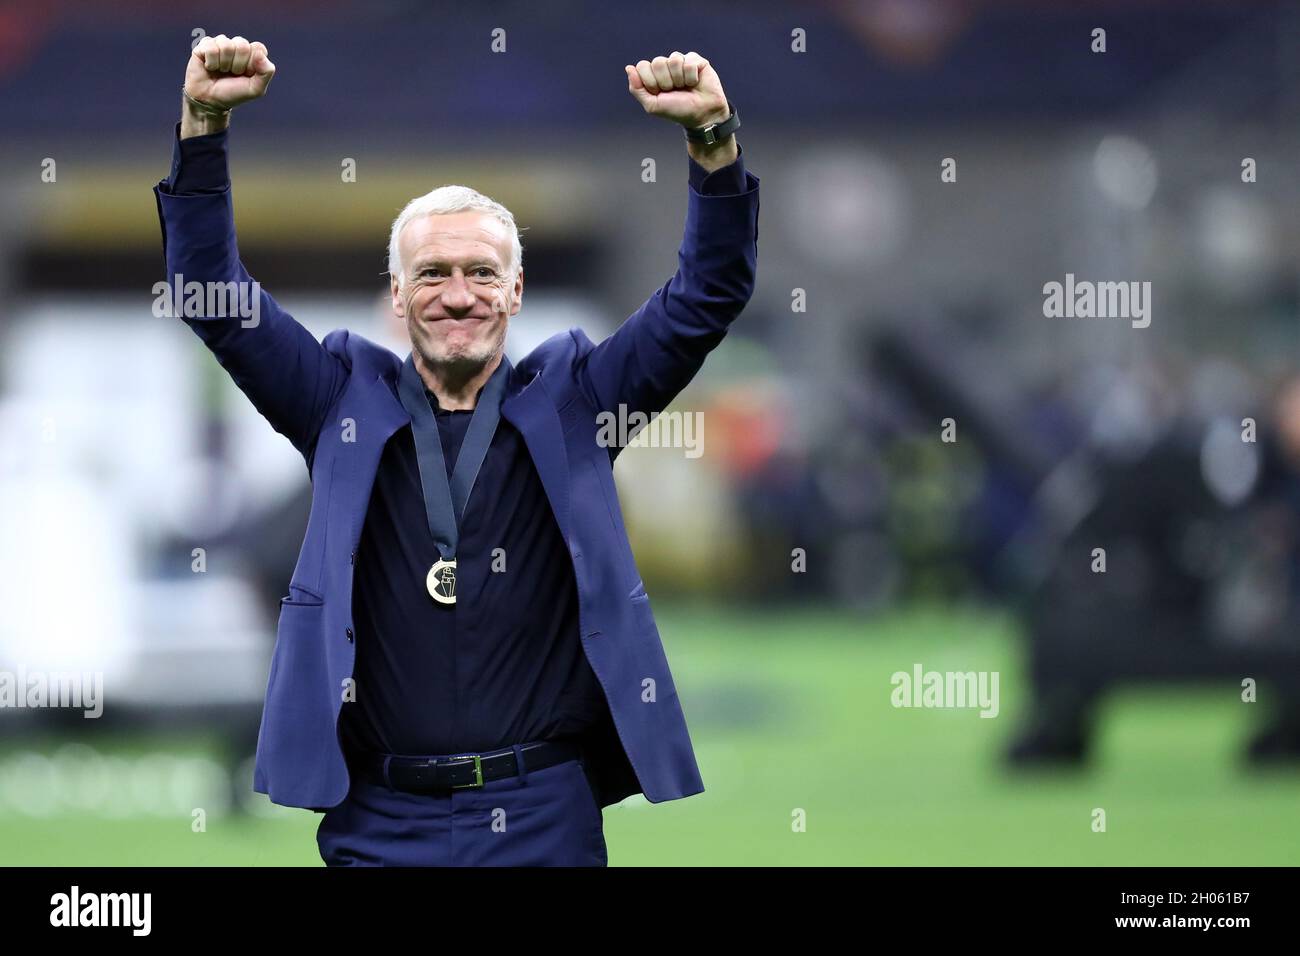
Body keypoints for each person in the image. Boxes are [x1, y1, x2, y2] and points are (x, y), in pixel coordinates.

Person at [154, 34, 759, 866]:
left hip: (542, 810)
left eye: (481, 272)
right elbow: (210, 294)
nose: (459, 294)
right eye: (433, 273)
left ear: (515, 291)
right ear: (397, 297)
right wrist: (202, 126)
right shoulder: (336, 399)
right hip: (381, 815)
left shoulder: (580, 399)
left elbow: (706, 296)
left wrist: (713, 145)